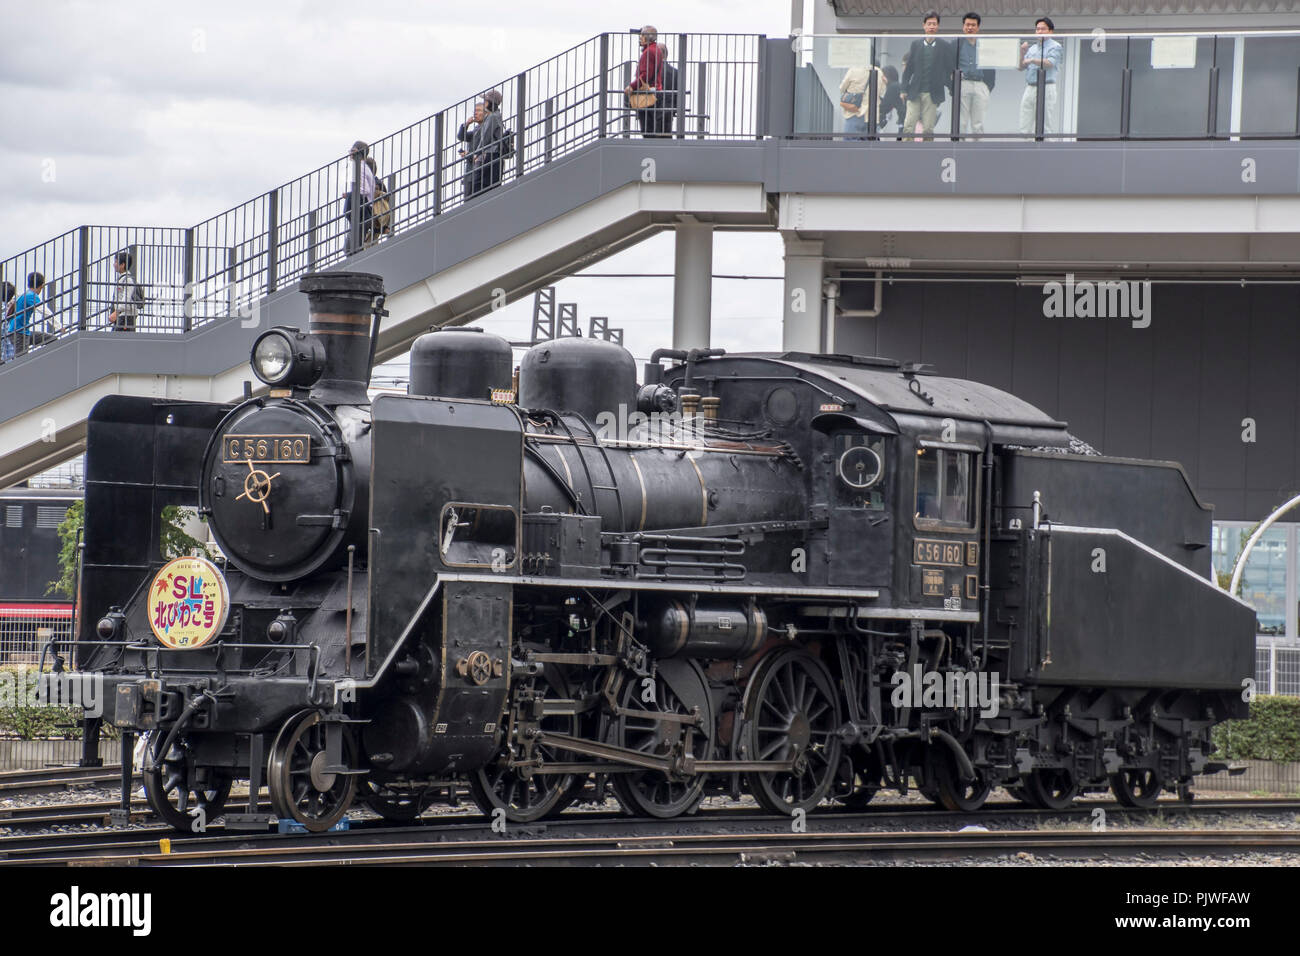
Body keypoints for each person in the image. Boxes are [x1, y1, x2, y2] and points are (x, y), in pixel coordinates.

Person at [901, 12, 954, 141]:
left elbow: (948, 69)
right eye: (929, 24)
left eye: (934, 24)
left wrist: (952, 88)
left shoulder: (944, 46)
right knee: (909, 125)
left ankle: (927, 154)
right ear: (924, 26)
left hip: (932, 92)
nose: (931, 27)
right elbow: (909, 70)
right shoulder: (916, 44)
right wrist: (903, 89)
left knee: (928, 128)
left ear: (938, 27)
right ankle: (905, 152)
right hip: (915, 91)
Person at [625, 25, 671, 139]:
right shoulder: (656, 50)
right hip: (655, 91)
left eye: (642, 36)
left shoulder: (649, 52)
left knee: (647, 126)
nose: (640, 38)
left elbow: (645, 75)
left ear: (647, 37)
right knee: (652, 125)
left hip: (648, 92)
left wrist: (632, 86)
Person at [1019, 17, 1062, 136]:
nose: (1039, 32)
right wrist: (1022, 53)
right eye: (1037, 29)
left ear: (1050, 31)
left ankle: (1046, 150)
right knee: (1025, 118)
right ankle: (1025, 148)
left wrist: (1032, 60)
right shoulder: (1032, 48)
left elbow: (1050, 63)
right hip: (1030, 86)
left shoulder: (1055, 46)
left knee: (1045, 120)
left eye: (1043, 29)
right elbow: (1020, 67)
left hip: (1046, 86)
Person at [457, 92, 505, 200]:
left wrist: (473, 154)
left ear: (489, 103)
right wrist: (466, 124)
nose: (476, 113)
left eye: (479, 110)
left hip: (488, 158)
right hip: (481, 161)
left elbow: (485, 139)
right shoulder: (480, 126)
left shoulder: (492, 117)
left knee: (479, 192)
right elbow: (461, 136)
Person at [956, 13, 996, 137]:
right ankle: (958, 147)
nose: (970, 28)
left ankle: (977, 149)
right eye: (967, 25)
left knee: (978, 122)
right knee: (961, 121)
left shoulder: (984, 45)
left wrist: (987, 87)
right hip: (963, 83)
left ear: (978, 27)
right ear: (963, 27)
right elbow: (949, 64)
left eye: (973, 25)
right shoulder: (957, 44)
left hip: (980, 84)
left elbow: (991, 67)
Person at [342, 140, 375, 254]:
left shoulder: (359, 167)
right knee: (353, 243)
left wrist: (351, 195)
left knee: (352, 246)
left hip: (362, 208)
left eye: (353, 150)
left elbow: (363, 190)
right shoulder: (363, 167)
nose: (351, 153)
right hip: (364, 208)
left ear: (359, 152)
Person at [4, 272, 46, 361]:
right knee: (21, 360)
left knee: (48, 338)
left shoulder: (24, 295)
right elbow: (45, 311)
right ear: (42, 286)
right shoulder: (32, 296)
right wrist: (59, 327)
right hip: (19, 333)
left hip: (22, 331)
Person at [839, 64, 888, 139]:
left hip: (854, 113)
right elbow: (882, 93)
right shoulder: (879, 72)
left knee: (850, 147)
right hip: (872, 116)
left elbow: (842, 88)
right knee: (869, 147)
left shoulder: (853, 70)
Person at [108, 250, 143, 331]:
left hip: (126, 316)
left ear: (122, 265)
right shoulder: (123, 279)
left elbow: (126, 300)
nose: (114, 265)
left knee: (117, 341)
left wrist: (116, 313)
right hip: (123, 315)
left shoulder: (127, 280)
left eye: (116, 262)